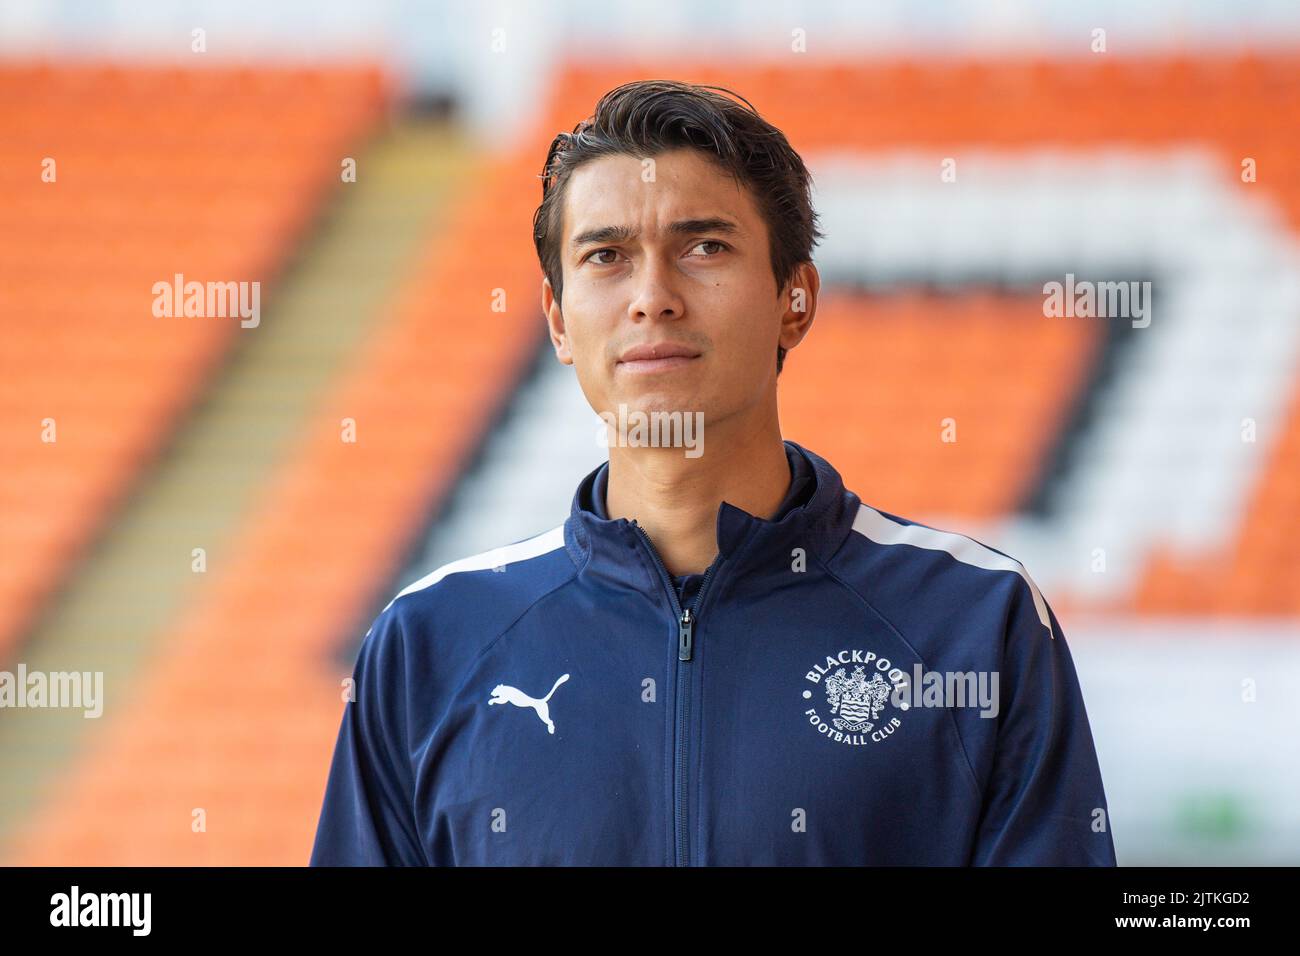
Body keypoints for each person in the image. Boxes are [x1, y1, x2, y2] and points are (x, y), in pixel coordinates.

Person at [310, 79, 1117, 866]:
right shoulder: (431, 643)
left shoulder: (975, 624)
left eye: (704, 247)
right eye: (606, 256)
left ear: (794, 299)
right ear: (558, 321)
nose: (652, 297)